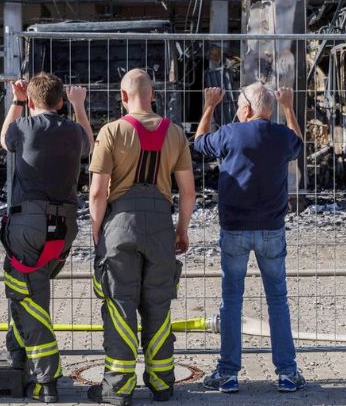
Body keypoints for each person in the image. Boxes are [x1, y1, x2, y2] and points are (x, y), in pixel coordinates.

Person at [87, 69, 195, 406]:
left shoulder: (112, 131)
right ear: (154, 95)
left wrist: (97, 232)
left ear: (123, 96)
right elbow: (188, 192)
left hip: (120, 226)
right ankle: (162, 383)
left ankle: (118, 388)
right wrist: (181, 230)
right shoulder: (175, 133)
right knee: (158, 305)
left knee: (120, 305)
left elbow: (97, 193)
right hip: (161, 226)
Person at [193, 83, 307, 394]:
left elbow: (199, 143)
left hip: (235, 227)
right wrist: (288, 108)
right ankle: (287, 372)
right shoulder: (281, 136)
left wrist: (209, 105)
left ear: (246, 109)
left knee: (231, 301)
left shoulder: (230, 133)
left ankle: (228, 373)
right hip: (271, 228)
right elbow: (299, 144)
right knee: (278, 300)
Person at [0, 72, 93, 403]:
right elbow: (89, 145)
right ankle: (17, 355)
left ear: (32, 102)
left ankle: (47, 380)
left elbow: (4, 139)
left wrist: (16, 100)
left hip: (29, 224)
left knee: (27, 296)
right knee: (29, 291)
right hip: (64, 227)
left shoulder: (24, 127)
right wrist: (80, 107)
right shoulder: (73, 131)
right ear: (61, 101)